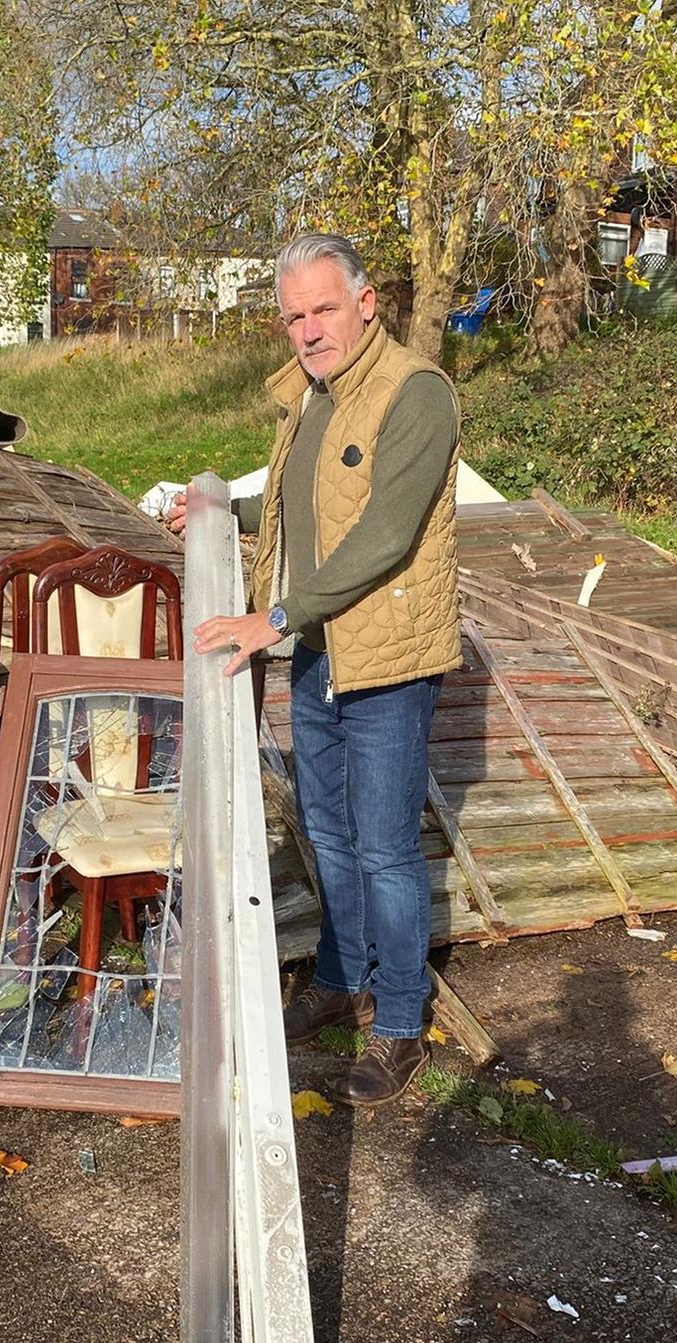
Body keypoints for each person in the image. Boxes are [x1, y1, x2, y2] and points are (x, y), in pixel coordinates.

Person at [174, 233, 461, 1105]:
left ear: (365, 304)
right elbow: (303, 498)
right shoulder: (312, 396)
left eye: (324, 308)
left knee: (385, 849)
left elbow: (385, 533)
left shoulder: (414, 392)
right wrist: (220, 511)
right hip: (318, 651)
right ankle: (339, 983)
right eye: (294, 315)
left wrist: (272, 618)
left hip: (386, 658)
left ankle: (401, 1025)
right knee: (327, 832)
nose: (309, 329)